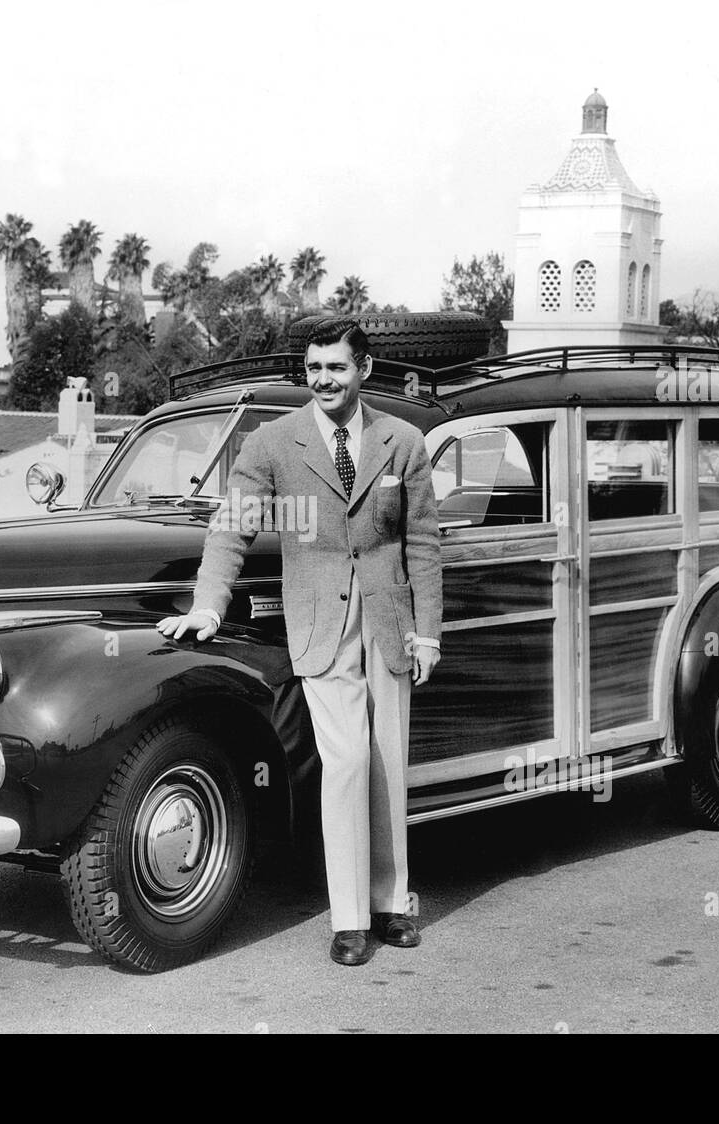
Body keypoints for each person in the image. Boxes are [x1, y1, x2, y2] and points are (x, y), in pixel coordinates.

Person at [157, 318, 442, 966]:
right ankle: (349, 920)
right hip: (319, 625)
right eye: (315, 369)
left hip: (390, 623)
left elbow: (423, 542)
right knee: (343, 766)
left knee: (387, 762)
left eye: (337, 368)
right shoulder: (274, 443)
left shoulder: (402, 442)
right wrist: (207, 606)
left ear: (363, 370)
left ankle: (393, 903)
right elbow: (230, 528)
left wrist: (427, 631)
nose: (324, 380)